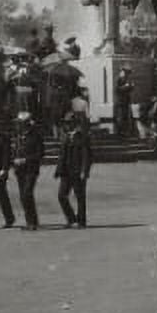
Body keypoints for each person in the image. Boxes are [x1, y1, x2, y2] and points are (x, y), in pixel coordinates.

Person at [55, 97, 94, 228]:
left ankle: (81, 221)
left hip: (78, 171)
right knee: (61, 196)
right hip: (66, 171)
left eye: (70, 123)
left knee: (80, 197)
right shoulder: (65, 137)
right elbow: (62, 155)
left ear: (75, 123)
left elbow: (86, 156)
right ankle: (71, 218)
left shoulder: (82, 137)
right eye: (66, 123)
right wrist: (58, 170)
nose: (67, 125)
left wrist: (84, 171)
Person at [8, 109, 47, 228]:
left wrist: (25, 160)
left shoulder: (35, 136)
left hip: (31, 169)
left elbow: (40, 153)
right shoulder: (18, 136)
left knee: (27, 193)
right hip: (20, 170)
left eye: (20, 123)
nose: (18, 125)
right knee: (23, 196)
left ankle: (32, 222)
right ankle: (30, 221)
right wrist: (13, 160)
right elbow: (14, 151)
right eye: (18, 123)